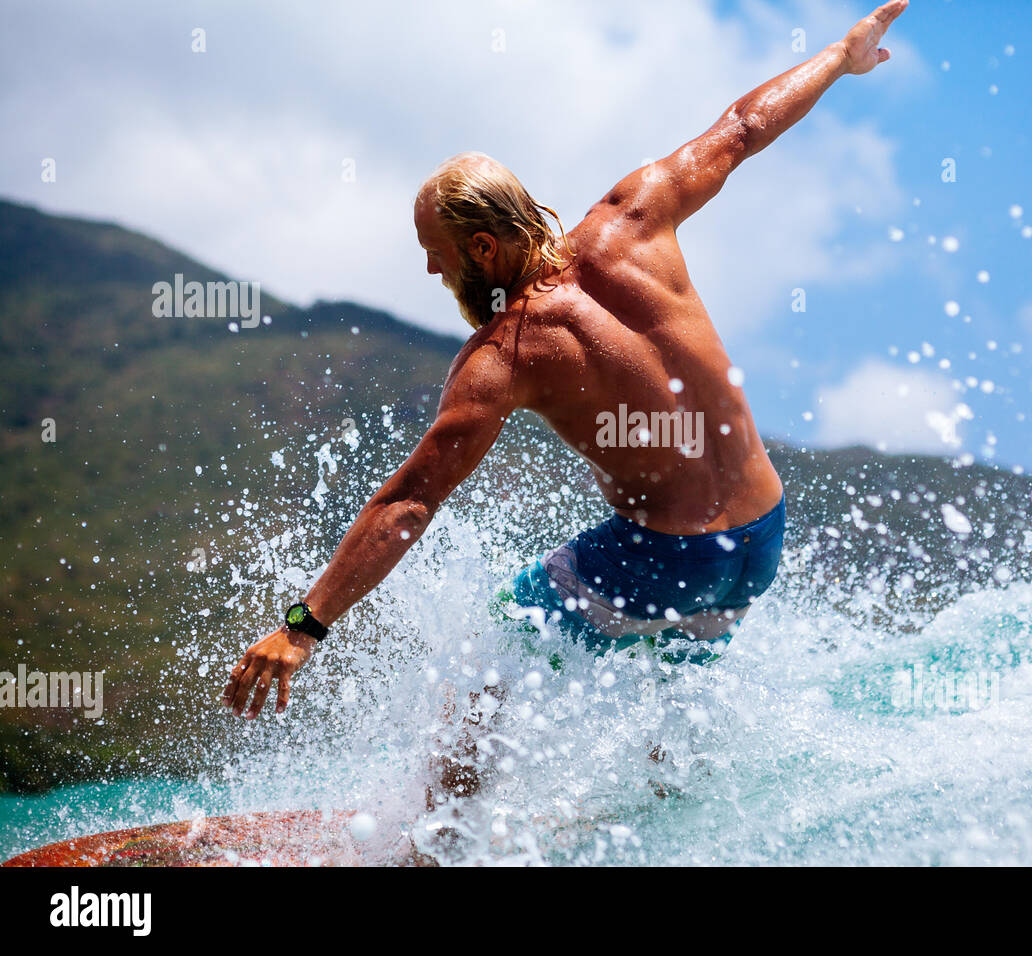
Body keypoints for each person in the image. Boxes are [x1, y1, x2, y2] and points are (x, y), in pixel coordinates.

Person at [224, 0, 908, 720]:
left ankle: (440, 836)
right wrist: (839, 54)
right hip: (760, 536)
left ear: (483, 250)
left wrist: (304, 627)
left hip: (667, 558)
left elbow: (409, 502)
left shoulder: (500, 358)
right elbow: (741, 128)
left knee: (480, 668)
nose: (433, 272)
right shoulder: (635, 215)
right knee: (670, 703)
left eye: (438, 255)